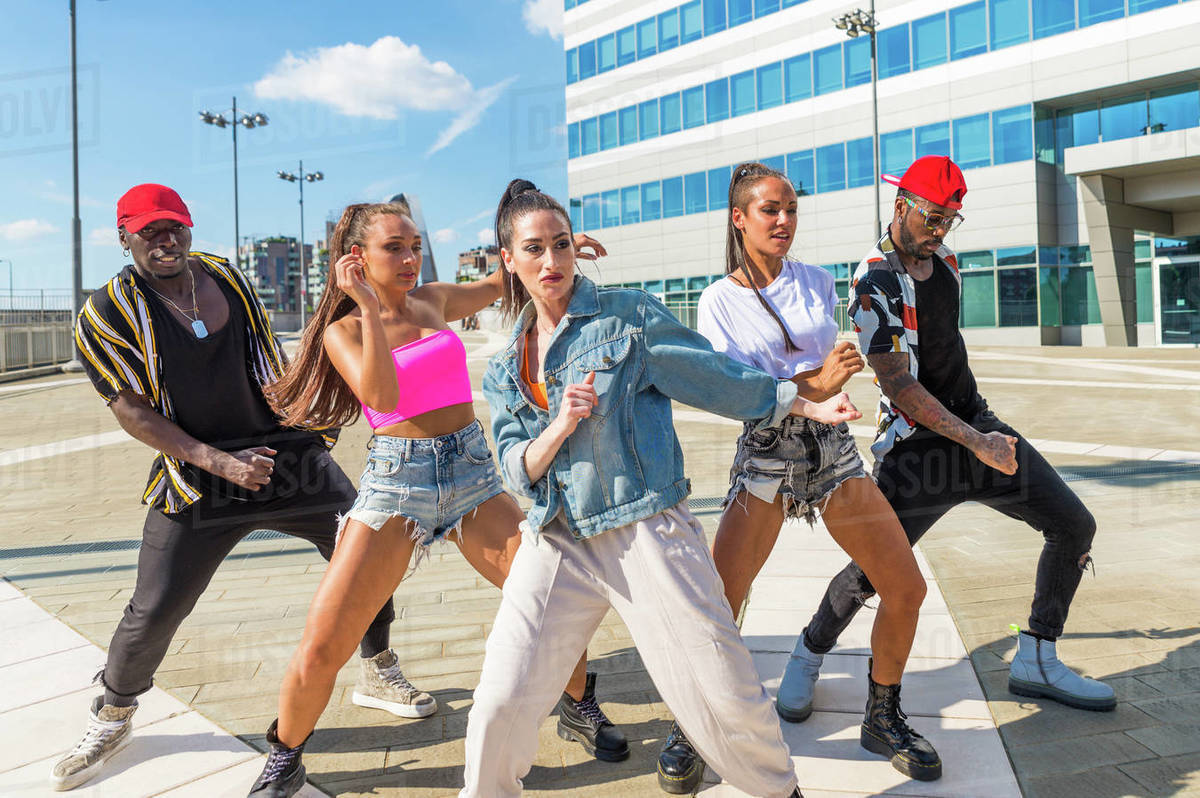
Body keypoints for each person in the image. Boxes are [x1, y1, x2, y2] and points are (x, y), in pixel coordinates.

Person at [461, 179, 862, 798]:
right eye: (534, 249)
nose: (552, 261)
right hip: (555, 539)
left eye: (561, 245)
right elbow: (516, 470)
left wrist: (799, 403)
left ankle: (782, 791)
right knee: (499, 701)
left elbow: (714, 376)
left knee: (720, 689)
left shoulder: (627, 316)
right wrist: (564, 422)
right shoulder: (504, 364)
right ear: (508, 259)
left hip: (644, 526)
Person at [247, 200, 624, 798]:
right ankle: (286, 753)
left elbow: (508, 276)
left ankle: (579, 705)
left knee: (552, 596)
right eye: (393, 248)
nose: (409, 258)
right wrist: (370, 311)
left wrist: (560, 250)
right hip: (398, 483)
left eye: (414, 245)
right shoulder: (344, 331)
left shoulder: (434, 300)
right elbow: (381, 395)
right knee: (325, 641)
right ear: (357, 259)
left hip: (473, 470)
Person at [58, 184, 403, 792]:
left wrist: (305, 417)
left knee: (365, 550)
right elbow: (132, 410)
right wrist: (219, 463)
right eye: (148, 231)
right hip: (196, 475)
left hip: (283, 457)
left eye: (173, 228)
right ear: (124, 237)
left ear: (189, 228)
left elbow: (265, 355)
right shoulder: (105, 313)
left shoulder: (224, 274)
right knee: (156, 605)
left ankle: (377, 667)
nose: (164, 240)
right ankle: (114, 712)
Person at [652, 161, 940, 789]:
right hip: (766, 457)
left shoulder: (816, 282)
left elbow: (832, 359)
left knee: (905, 587)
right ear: (739, 218)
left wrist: (831, 382)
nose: (784, 221)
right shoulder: (717, 300)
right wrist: (814, 383)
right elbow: (733, 393)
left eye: (790, 209)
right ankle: (696, 725)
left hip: (833, 452)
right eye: (769, 210)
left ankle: (882, 716)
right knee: (719, 606)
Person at [797, 155, 1113, 718]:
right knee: (873, 570)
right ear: (902, 207)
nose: (940, 232)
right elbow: (899, 385)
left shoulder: (946, 262)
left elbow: (945, 352)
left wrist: (981, 436)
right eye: (932, 218)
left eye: (950, 221)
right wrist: (977, 442)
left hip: (976, 427)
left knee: (1073, 525)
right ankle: (809, 653)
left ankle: (1037, 657)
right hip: (916, 449)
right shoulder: (873, 283)